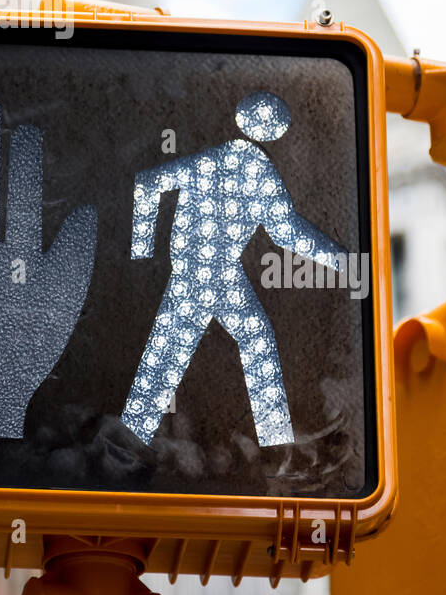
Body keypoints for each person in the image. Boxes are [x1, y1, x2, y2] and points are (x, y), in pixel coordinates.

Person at [122, 91, 346, 448]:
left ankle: (134, 434)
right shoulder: (247, 167)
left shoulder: (220, 163)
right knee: (216, 345)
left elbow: (149, 183)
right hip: (206, 271)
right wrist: (342, 262)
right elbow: (286, 230)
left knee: (184, 350)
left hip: (209, 271)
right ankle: (272, 442)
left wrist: (143, 250)